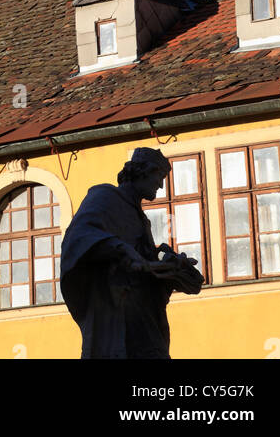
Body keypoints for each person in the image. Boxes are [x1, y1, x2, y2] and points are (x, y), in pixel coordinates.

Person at [60, 147, 203, 358]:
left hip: (145, 317)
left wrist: (170, 268)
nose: (161, 185)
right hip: (117, 316)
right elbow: (80, 236)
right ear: (143, 172)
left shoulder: (141, 219)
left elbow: (144, 271)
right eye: (159, 177)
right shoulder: (105, 196)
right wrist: (125, 252)